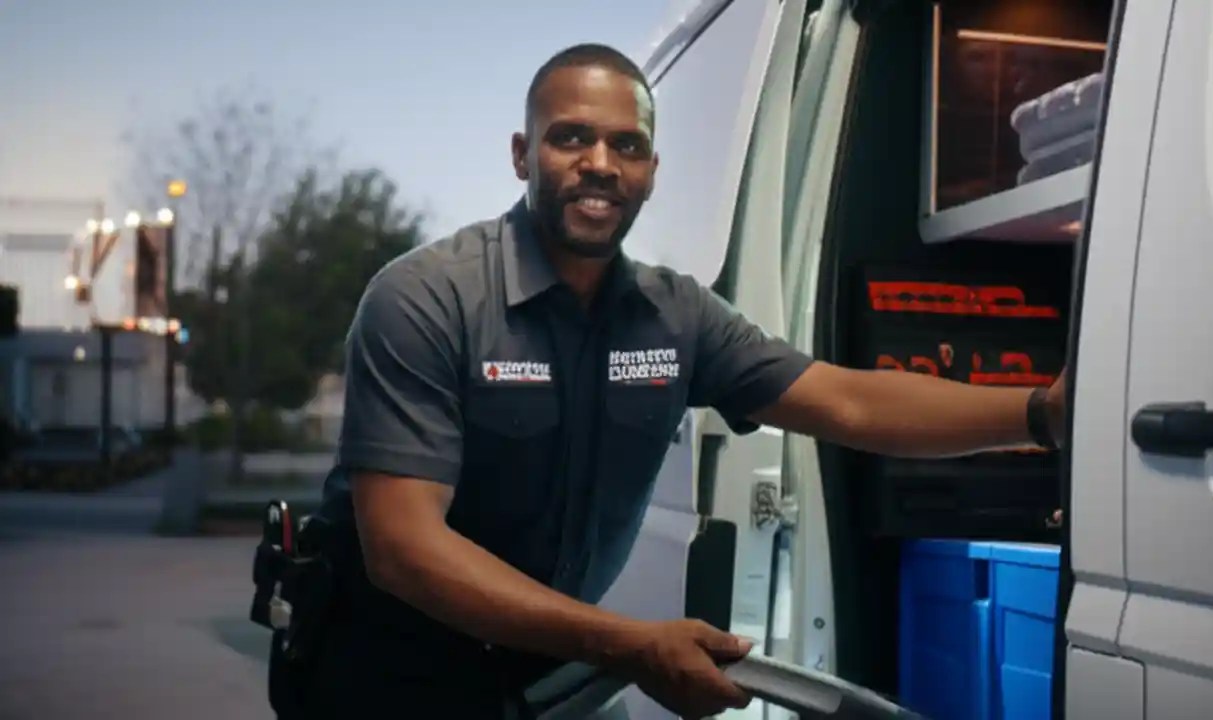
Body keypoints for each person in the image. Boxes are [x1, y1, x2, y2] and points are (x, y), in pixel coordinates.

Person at [303, 43, 1067, 719]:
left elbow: (847, 399)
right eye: (571, 137)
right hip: (389, 678)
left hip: (550, 668)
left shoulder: (676, 316)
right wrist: (631, 645)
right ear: (521, 153)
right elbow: (403, 548)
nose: (600, 162)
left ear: (651, 171)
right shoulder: (426, 299)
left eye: (626, 144)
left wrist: (1041, 414)